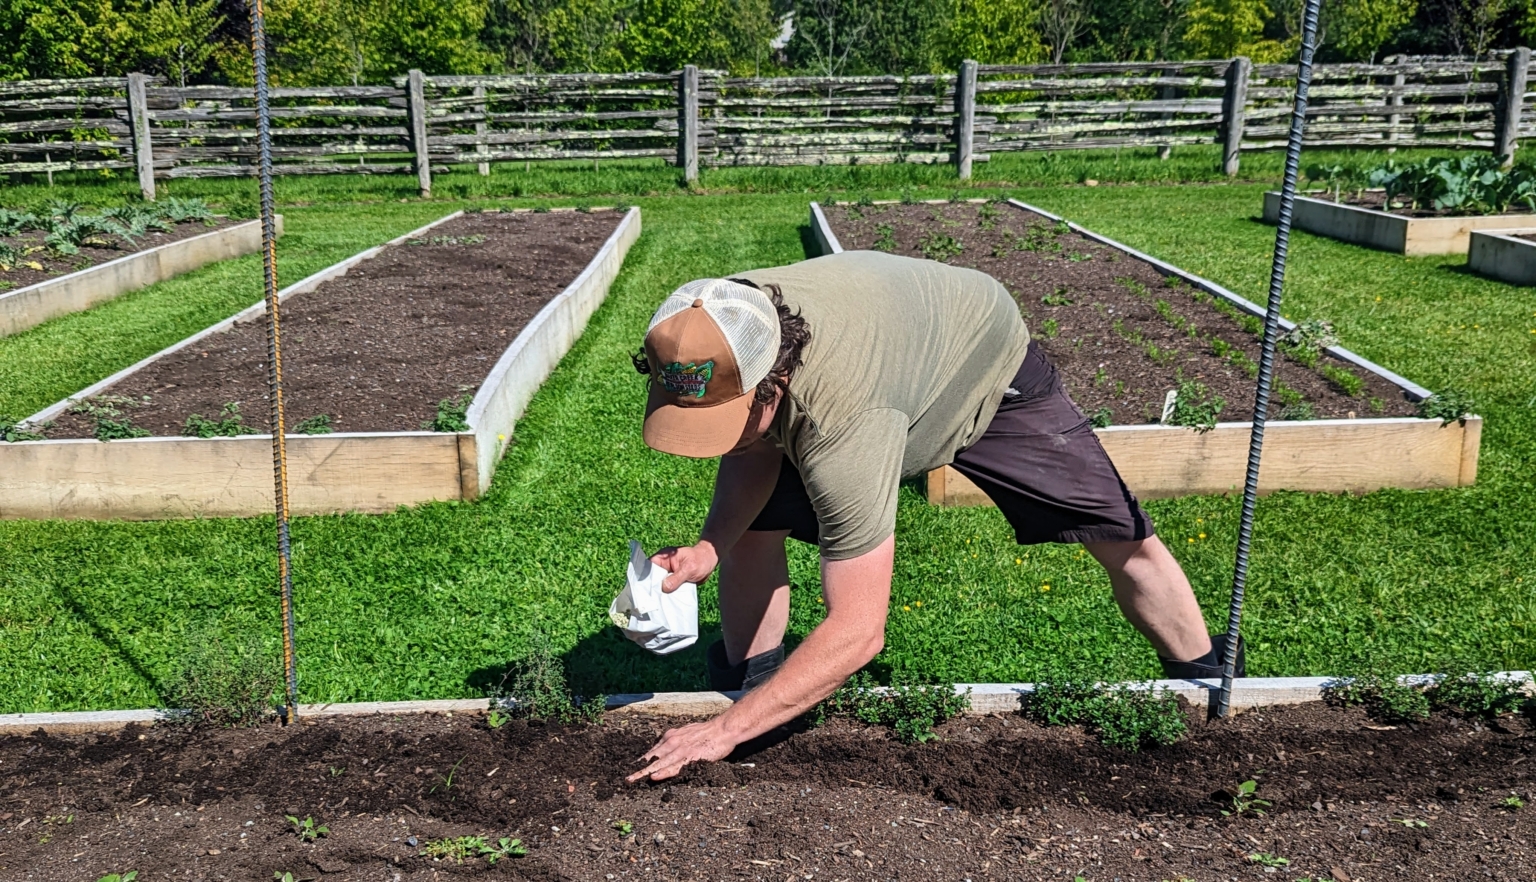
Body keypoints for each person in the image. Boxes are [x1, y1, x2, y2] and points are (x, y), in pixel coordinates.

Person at [626, 250, 1242, 783]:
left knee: (1115, 531)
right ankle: (755, 692)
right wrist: (710, 546)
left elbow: (860, 631)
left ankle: (1206, 681)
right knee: (754, 527)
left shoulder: (842, 420)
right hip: (880, 347)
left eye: (728, 422)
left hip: (979, 353)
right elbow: (752, 446)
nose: (718, 442)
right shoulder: (720, 321)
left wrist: (720, 731)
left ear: (774, 384)